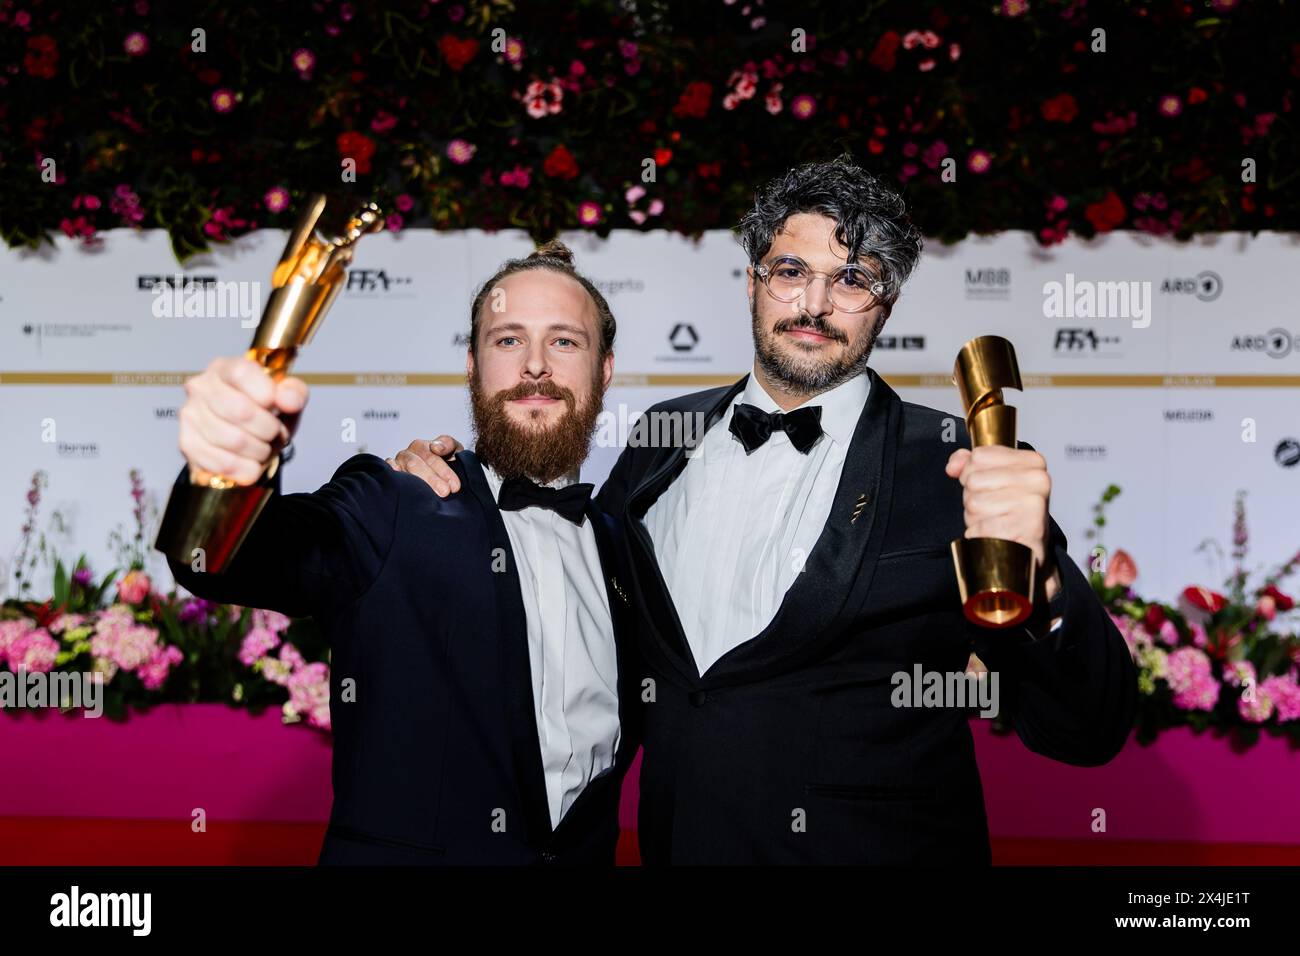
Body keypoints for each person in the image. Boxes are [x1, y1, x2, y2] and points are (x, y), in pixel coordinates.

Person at [388, 155, 1139, 864]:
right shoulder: (661, 440)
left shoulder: (952, 463)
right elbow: (574, 618)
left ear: (887, 307)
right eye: (791, 271)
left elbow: (1088, 727)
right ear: (752, 283)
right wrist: (440, 493)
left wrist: (1043, 583)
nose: (813, 304)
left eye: (852, 279)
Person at [157, 240, 642, 865]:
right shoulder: (393, 501)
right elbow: (223, 559)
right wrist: (225, 473)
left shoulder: (622, 547)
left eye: (565, 341)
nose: (535, 366)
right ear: (471, 365)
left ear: (604, 371)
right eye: (508, 340)